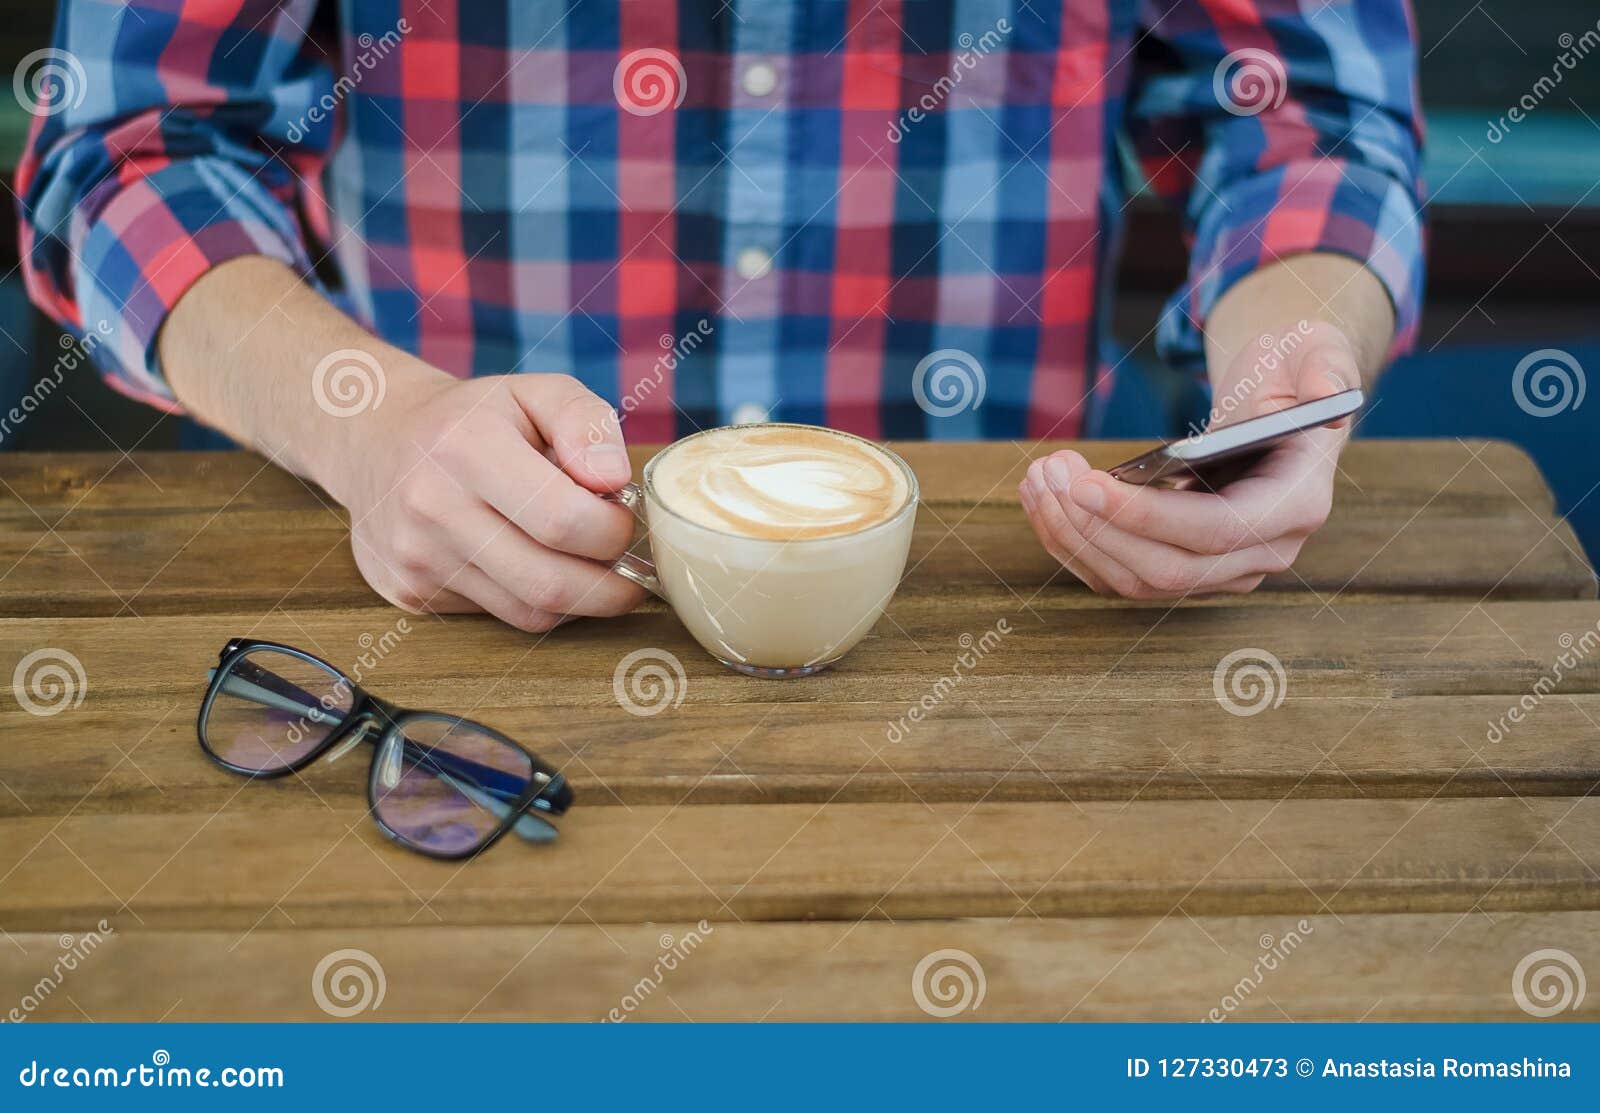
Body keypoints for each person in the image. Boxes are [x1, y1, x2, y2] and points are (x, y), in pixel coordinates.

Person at [17, 1, 1421, 629]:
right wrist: (370, 423)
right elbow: (135, 148)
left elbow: (1306, 125)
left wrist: (1290, 364)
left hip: (998, 613)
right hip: (469, 608)